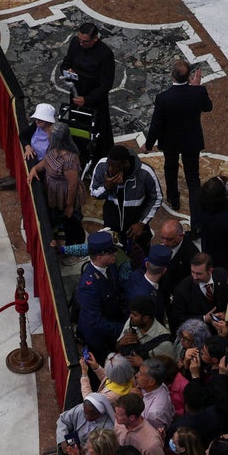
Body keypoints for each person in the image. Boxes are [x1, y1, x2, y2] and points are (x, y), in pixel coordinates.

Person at [144, 59, 213, 223]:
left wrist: (148, 145)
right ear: (189, 76)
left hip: (171, 142)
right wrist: (196, 88)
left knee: (170, 168)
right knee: (193, 179)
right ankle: (196, 222)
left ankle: (174, 200)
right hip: (191, 141)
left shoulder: (163, 98)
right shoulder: (199, 92)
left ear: (172, 76)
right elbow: (208, 107)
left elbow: (156, 124)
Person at [89, 146, 162, 260]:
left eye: (115, 166)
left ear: (126, 164)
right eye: (109, 164)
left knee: (140, 258)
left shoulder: (145, 172)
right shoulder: (102, 166)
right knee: (112, 258)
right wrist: (107, 186)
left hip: (135, 227)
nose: (110, 169)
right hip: (112, 224)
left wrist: (142, 223)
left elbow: (156, 198)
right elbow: (94, 193)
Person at [60, 21, 115, 169]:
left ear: (95, 39)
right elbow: (66, 63)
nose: (81, 43)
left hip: (95, 100)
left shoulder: (105, 54)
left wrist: (87, 99)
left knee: (98, 132)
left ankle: (99, 162)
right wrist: (67, 71)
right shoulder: (75, 44)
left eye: (85, 41)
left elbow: (106, 84)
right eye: (80, 40)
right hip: (76, 95)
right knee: (76, 126)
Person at [29, 121, 85, 245]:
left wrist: (69, 205)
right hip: (55, 192)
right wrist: (35, 168)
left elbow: (72, 185)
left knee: (71, 221)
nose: (47, 134)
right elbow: (47, 160)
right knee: (59, 218)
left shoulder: (70, 159)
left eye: (49, 133)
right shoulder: (53, 148)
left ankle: (75, 246)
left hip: (66, 196)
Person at [77, 232, 128, 359]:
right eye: (110, 253)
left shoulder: (110, 266)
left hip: (112, 320)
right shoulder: (88, 286)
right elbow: (94, 321)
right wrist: (122, 329)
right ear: (99, 257)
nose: (115, 254)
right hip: (99, 338)